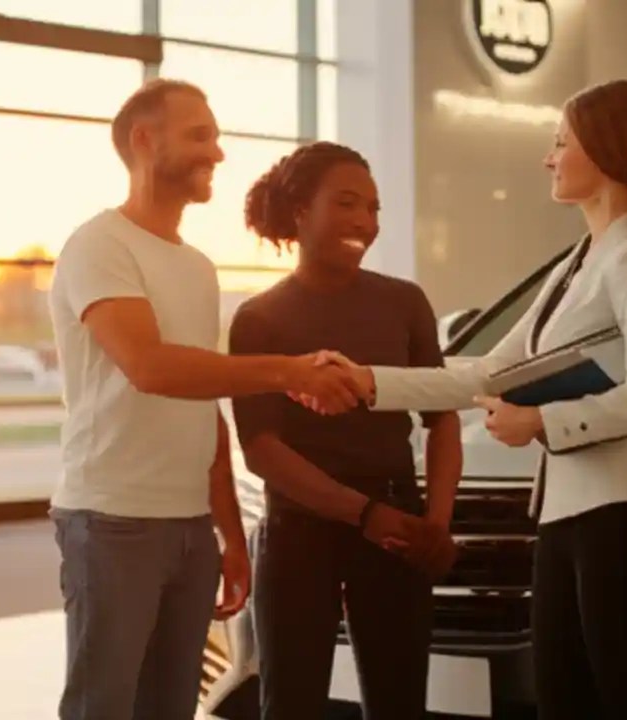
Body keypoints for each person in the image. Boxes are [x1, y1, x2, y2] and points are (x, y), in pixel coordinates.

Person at [303, 79, 627, 719]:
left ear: (599, 151)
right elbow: (485, 371)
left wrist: (541, 420)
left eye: (560, 142)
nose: (549, 157)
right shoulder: (579, 261)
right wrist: (367, 381)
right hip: (570, 524)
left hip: (622, 525)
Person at [46, 79, 366, 720]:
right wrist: (289, 372)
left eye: (216, 137)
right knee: (101, 707)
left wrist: (227, 531)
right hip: (112, 521)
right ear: (144, 140)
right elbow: (150, 367)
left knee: (170, 709)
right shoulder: (99, 245)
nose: (217, 153)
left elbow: (204, 394)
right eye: (200, 136)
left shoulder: (196, 267)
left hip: (188, 526)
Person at [228, 141, 462, 720]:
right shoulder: (259, 318)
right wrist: (364, 515)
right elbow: (261, 449)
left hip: (398, 523)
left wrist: (435, 521)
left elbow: (443, 415)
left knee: (399, 702)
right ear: (301, 210)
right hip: (299, 531)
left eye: (374, 209)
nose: (365, 222)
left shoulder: (405, 303)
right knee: (293, 704)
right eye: (348, 204)